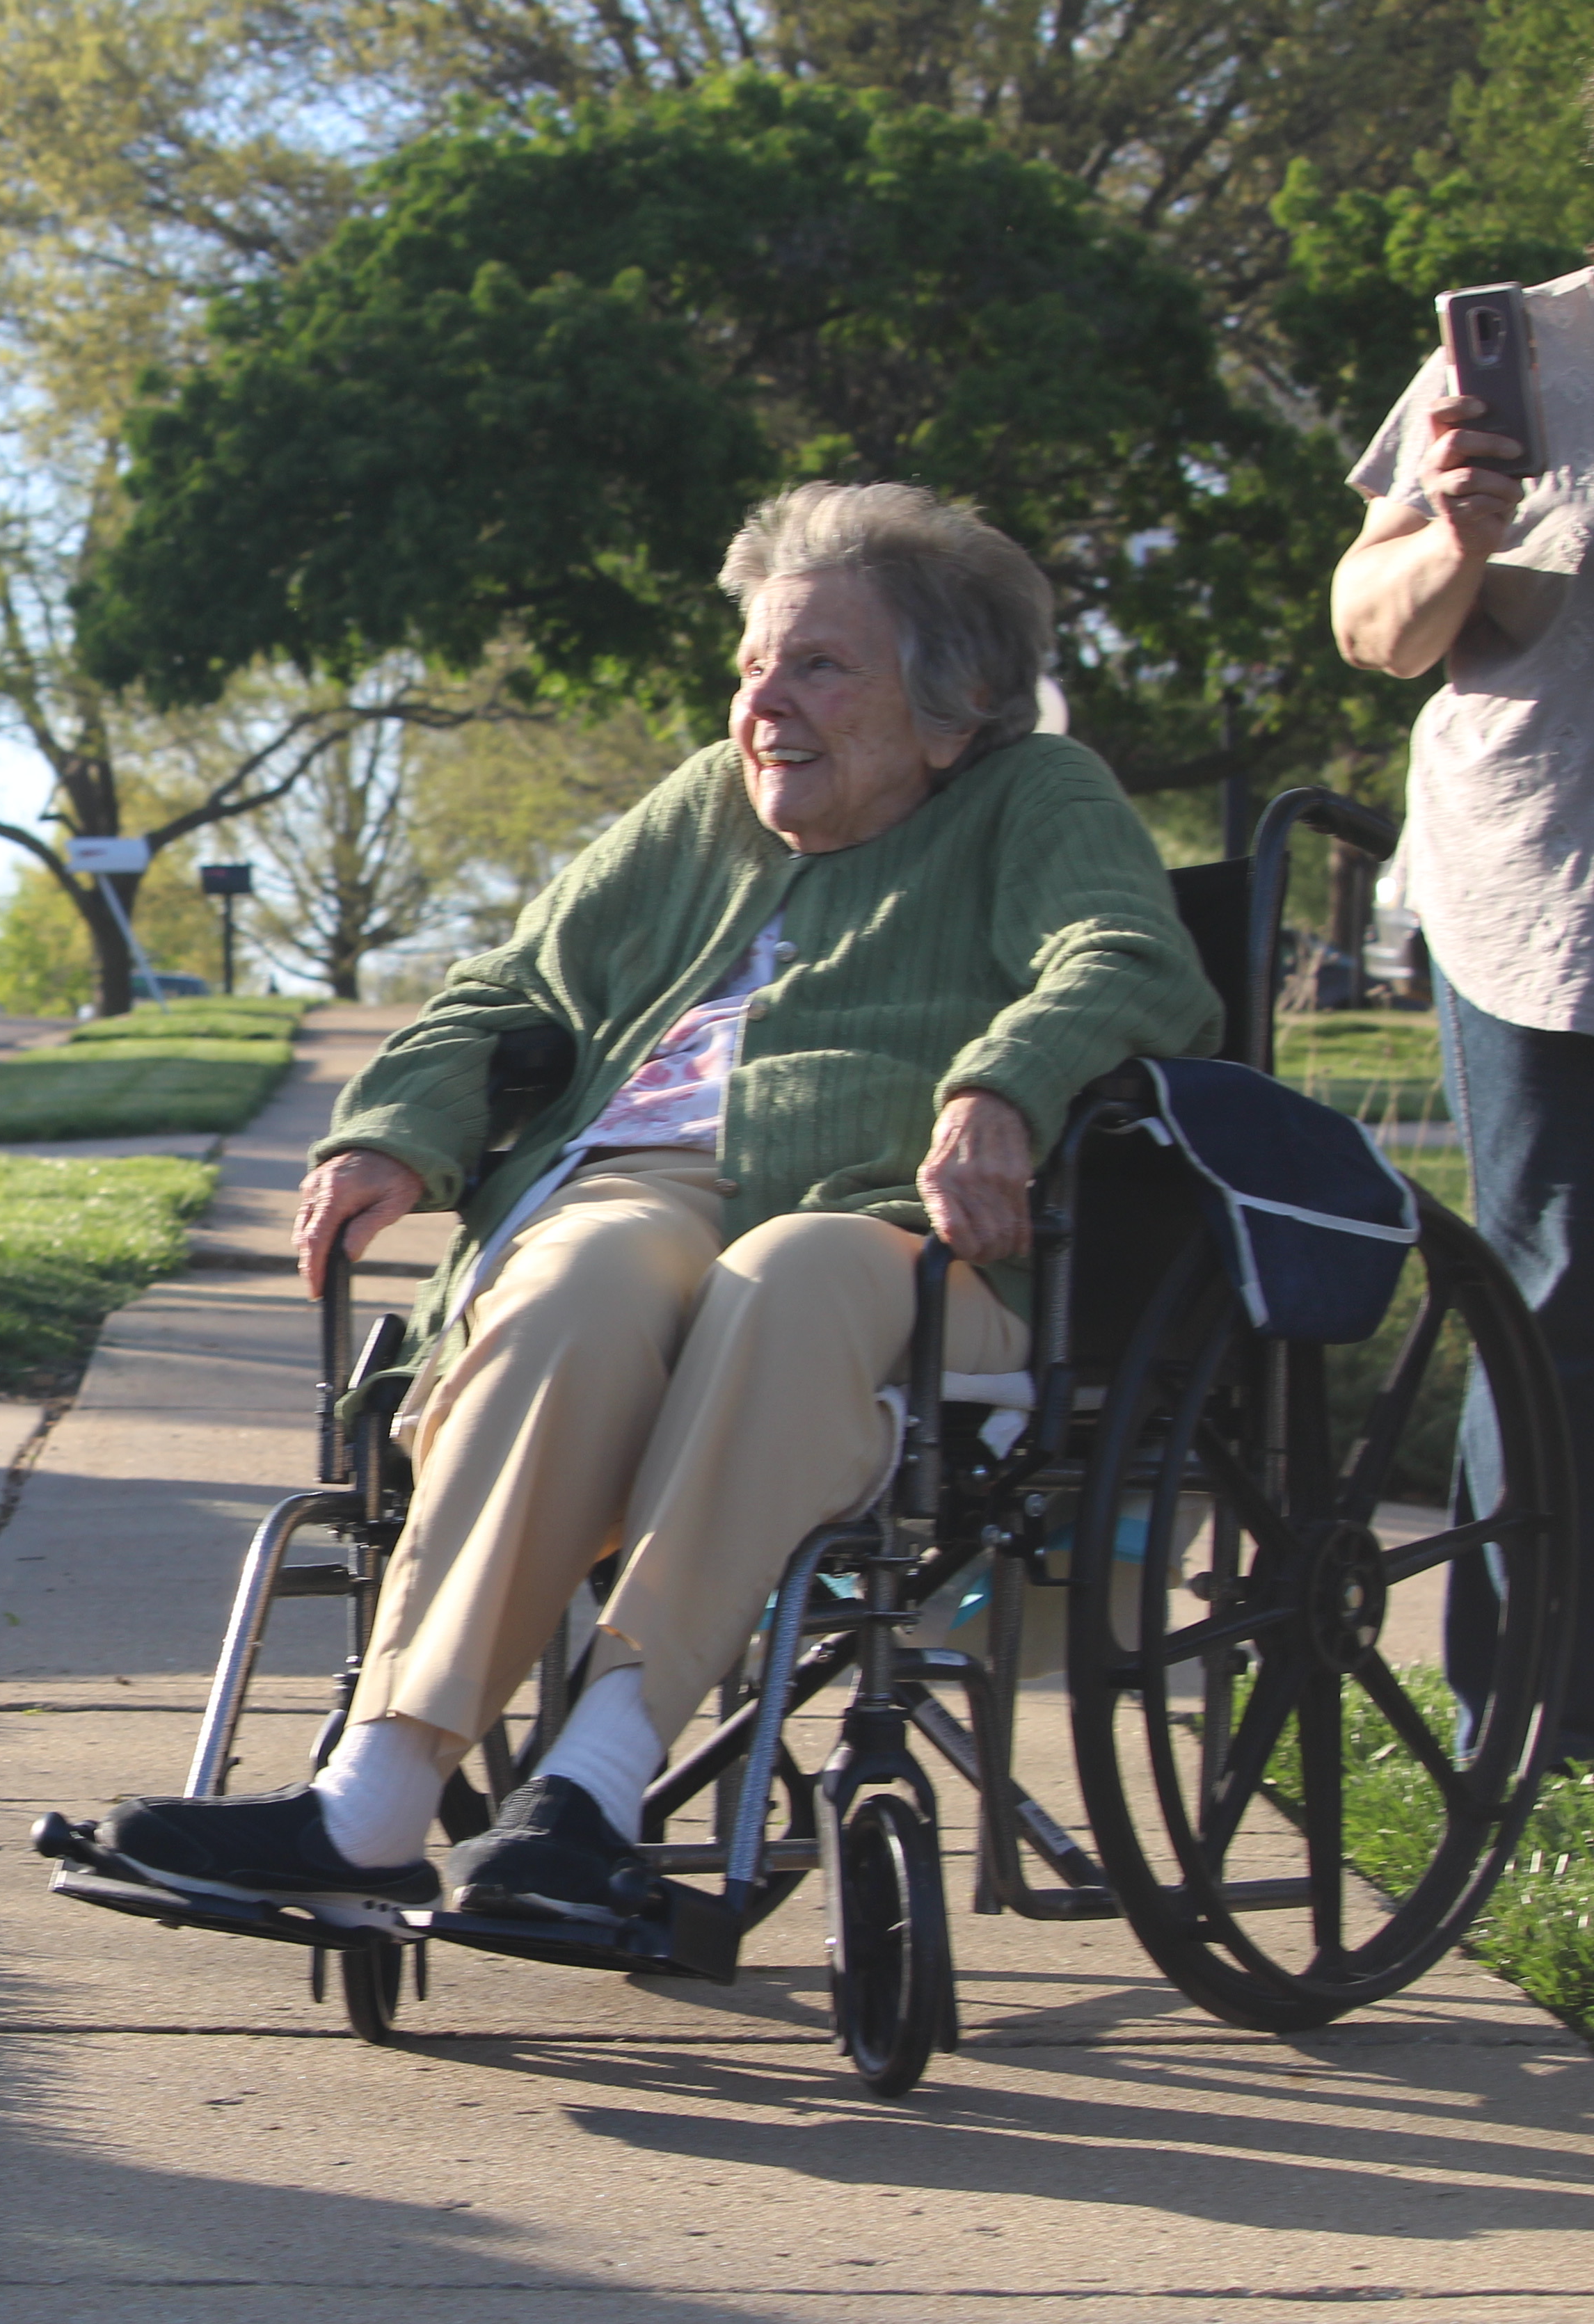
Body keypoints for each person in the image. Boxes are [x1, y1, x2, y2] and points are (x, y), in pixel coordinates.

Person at [102, 481, 1220, 1925]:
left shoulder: (1034, 797)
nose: (767, 705)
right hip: (646, 1183)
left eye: (819, 667)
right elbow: (502, 992)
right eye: (755, 665)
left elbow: (1129, 959)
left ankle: (587, 1792)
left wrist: (999, 1088)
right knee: (579, 1280)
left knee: (788, 1275)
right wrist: (395, 1135)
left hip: (898, 1220)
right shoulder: (702, 808)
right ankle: (373, 1802)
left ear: (958, 702)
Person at [1331, 282, 1594, 1764]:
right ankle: (1531, 1739)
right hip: (1553, 886)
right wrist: (1456, 531)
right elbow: (1371, 629)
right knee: (1554, 1299)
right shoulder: (1524, 353)